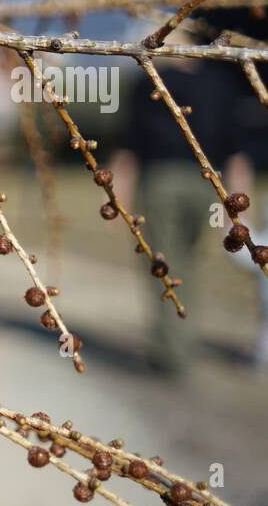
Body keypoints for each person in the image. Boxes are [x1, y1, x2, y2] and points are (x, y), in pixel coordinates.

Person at [111, 43, 268, 374]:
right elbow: (237, 154)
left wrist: (118, 197)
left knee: (164, 263)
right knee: (189, 262)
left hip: (161, 184)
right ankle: (180, 341)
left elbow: (129, 147)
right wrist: (238, 209)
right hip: (206, 186)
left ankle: (172, 354)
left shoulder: (150, 81)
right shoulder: (223, 85)